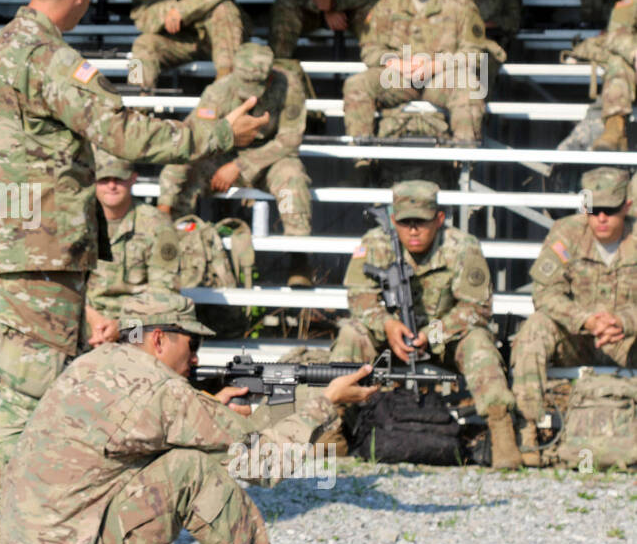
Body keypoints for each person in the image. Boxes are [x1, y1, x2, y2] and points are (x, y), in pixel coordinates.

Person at [0, 0, 270, 544]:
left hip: (11, 240)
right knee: (38, 394)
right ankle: (29, 541)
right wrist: (220, 132)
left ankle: (7, 528)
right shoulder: (49, 58)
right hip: (43, 247)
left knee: (23, 387)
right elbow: (121, 133)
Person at [0, 289, 376, 544]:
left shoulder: (92, 363)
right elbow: (262, 463)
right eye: (191, 342)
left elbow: (132, 426)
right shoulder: (164, 393)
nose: (196, 356)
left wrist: (209, 408)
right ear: (159, 338)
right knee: (192, 469)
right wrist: (326, 402)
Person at [332, 182, 525, 468]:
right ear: (393, 219)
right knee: (351, 334)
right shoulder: (375, 243)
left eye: (421, 222)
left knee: (479, 344)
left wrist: (432, 333)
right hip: (390, 339)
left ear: (440, 219)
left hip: (446, 340)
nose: (413, 230)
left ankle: (501, 432)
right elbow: (359, 298)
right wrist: (387, 324)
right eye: (405, 222)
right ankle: (332, 429)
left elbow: (477, 308)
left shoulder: (463, 247)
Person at [341, 0, 506, 179]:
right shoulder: (386, 5)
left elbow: (474, 50)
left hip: (442, 78)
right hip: (399, 77)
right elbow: (369, 50)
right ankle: (363, 162)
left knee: (469, 89)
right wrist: (398, 64)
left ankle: (464, 165)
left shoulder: (459, 4)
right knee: (357, 84)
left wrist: (435, 66)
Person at [157, 43, 313, 285]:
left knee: (292, 178)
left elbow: (289, 139)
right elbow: (195, 135)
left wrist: (240, 165)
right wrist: (164, 205)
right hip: (220, 157)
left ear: (269, 77)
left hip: (268, 158)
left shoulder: (289, 85)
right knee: (181, 170)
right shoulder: (218, 92)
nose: (249, 95)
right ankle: (173, 244)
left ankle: (298, 256)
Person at [511, 167, 637, 465]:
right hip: (578, 337)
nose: (601, 218)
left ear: (627, 206)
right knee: (535, 329)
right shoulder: (567, 233)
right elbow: (545, 293)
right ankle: (527, 432)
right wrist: (586, 319)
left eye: (609, 210)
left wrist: (625, 321)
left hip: (628, 341)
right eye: (594, 210)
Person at [84, 149, 232, 341]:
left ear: (133, 179)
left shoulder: (156, 224)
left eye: (119, 179)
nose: (112, 185)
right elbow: (67, 284)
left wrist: (120, 326)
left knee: (136, 345)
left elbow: (164, 292)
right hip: (90, 319)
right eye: (104, 180)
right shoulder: (79, 222)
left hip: (136, 321)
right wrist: (95, 321)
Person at [590, 0, 637, 151]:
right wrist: (634, 52)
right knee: (618, 61)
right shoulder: (633, 1)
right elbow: (615, 33)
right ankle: (614, 127)